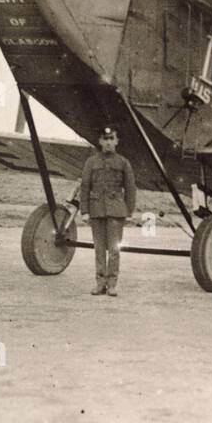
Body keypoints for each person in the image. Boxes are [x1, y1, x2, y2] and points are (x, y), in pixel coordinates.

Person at [77, 126, 136, 297]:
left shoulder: (123, 162)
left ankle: (112, 285)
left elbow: (130, 188)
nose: (108, 143)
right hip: (96, 211)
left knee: (114, 250)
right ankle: (100, 283)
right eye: (105, 139)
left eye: (112, 139)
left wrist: (129, 211)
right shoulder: (91, 162)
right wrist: (84, 211)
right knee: (99, 249)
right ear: (100, 141)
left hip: (116, 211)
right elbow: (85, 186)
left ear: (116, 142)